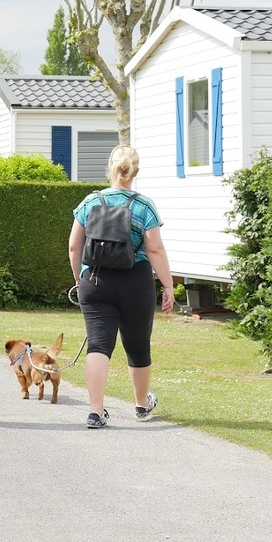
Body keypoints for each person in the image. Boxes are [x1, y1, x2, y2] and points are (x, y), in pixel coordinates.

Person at [68, 145, 174, 429]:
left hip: (96, 280)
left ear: (110, 168)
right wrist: (168, 284)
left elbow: (73, 246)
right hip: (135, 281)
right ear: (135, 171)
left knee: (99, 345)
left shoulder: (90, 202)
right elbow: (154, 249)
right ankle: (141, 405)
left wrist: (80, 279)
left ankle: (95, 411)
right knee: (138, 346)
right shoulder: (143, 205)